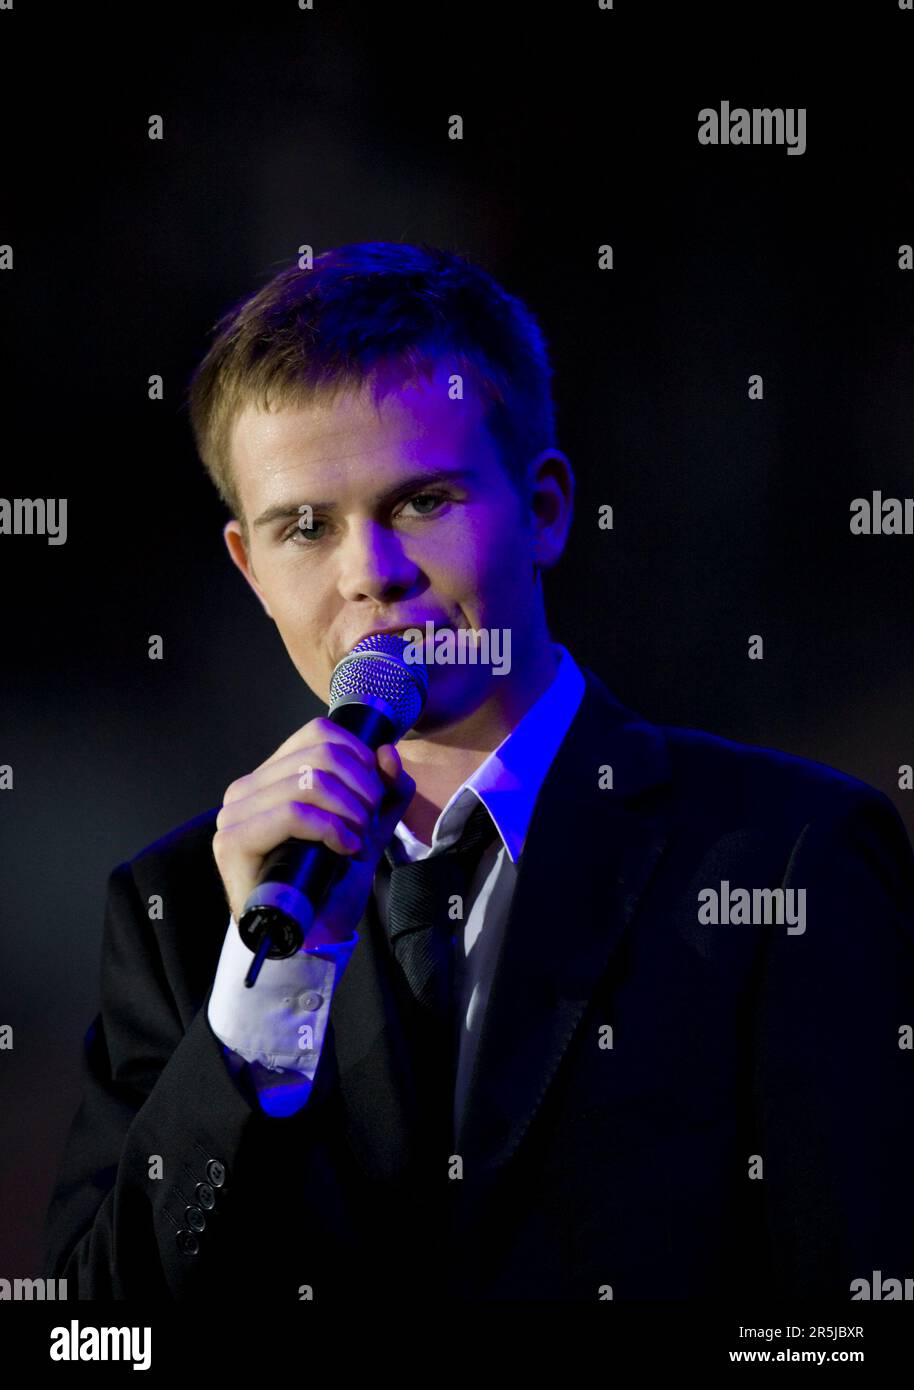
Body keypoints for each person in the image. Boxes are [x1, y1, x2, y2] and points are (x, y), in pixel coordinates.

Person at [43, 242, 914, 1301]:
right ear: (247, 565)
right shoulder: (179, 913)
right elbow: (93, 1334)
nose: (371, 574)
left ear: (543, 509)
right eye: (304, 527)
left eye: (421, 500)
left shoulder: (787, 854)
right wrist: (261, 999)